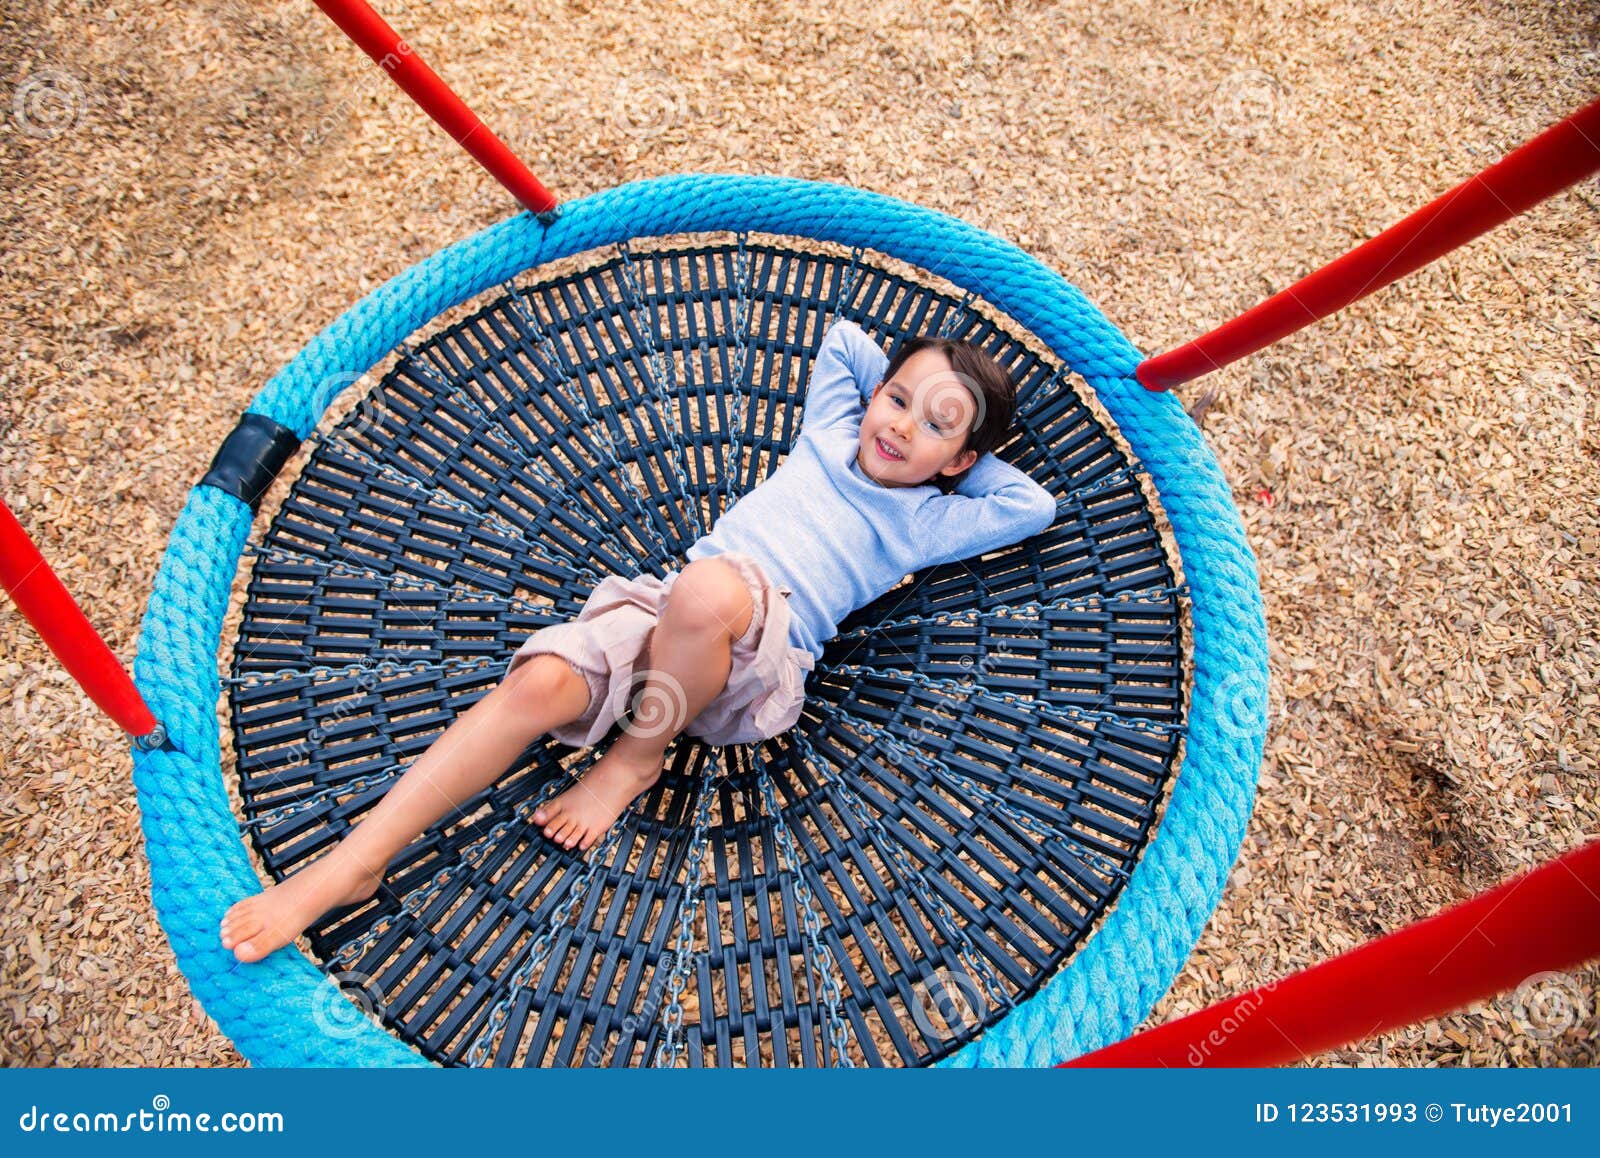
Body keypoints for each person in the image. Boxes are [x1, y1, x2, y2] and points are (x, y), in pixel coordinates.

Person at [220, 319, 1056, 964]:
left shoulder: (926, 517)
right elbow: (842, 344)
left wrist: (958, 450)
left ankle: (635, 758)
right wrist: (921, 391)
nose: (902, 425)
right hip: (670, 613)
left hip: (758, 664)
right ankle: (357, 861)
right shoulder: (830, 432)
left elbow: (1029, 508)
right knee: (541, 681)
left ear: (963, 459)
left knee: (711, 587)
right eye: (897, 399)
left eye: (937, 426)